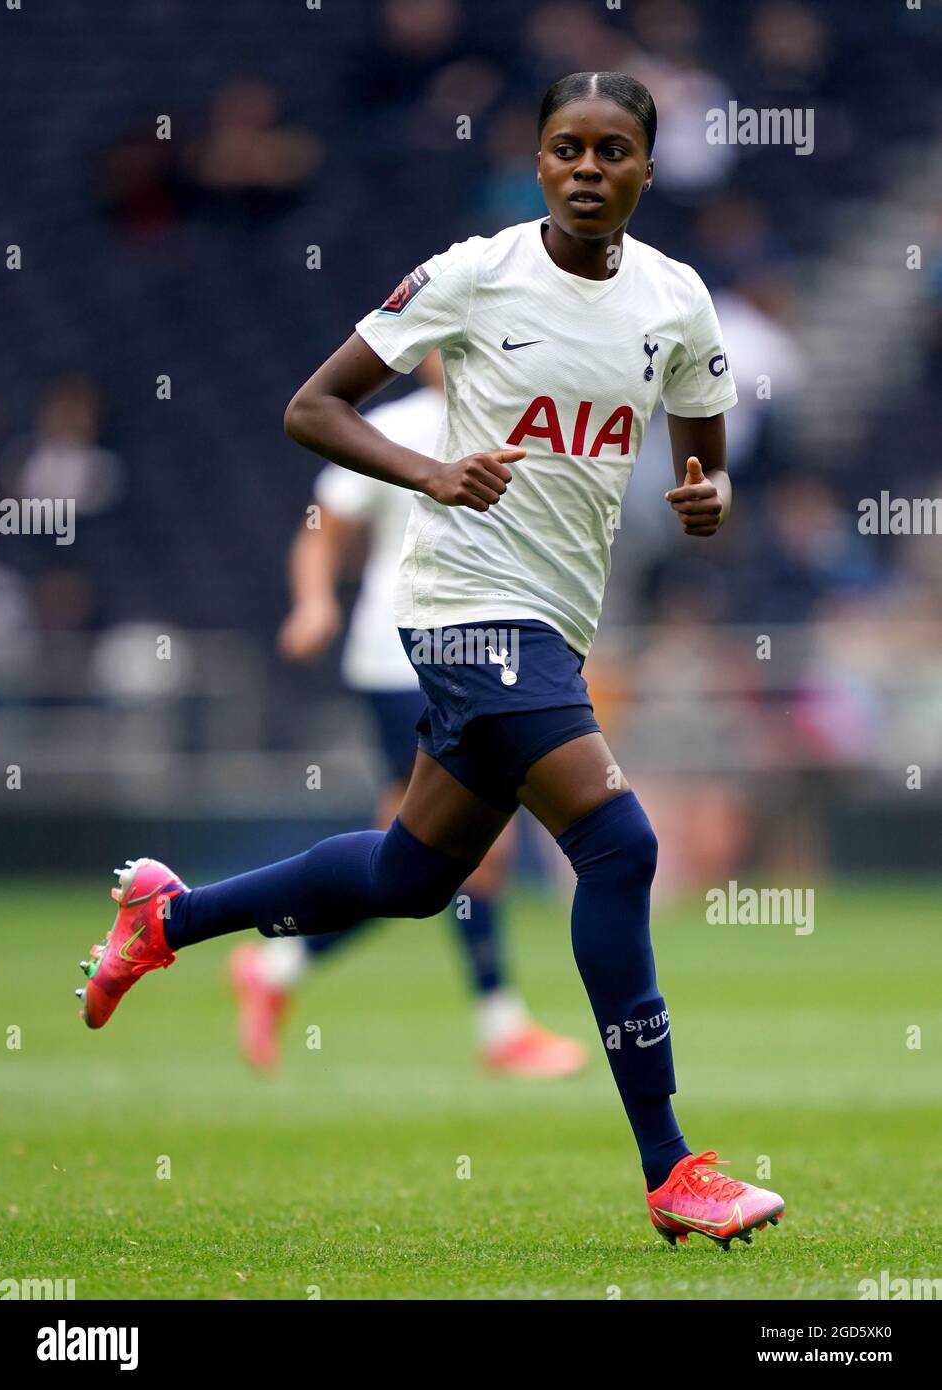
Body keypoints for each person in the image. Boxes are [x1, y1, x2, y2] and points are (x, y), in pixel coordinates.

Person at [76, 71, 785, 1249]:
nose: (588, 169)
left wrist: (706, 492)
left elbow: (702, 452)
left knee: (414, 875)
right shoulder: (474, 271)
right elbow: (314, 406)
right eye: (567, 147)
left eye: (614, 151)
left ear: (648, 170)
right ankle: (672, 1168)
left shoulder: (678, 301)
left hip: (553, 618)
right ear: (540, 159)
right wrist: (431, 472)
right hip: (465, 607)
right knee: (618, 843)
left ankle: (169, 917)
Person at [230, 350, 587, 1078]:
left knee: (417, 859)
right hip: (399, 663)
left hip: (485, 661)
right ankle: (499, 1026)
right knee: (461, 854)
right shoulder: (394, 429)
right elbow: (322, 526)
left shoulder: (530, 433)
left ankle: (276, 965)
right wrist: (315, 600)